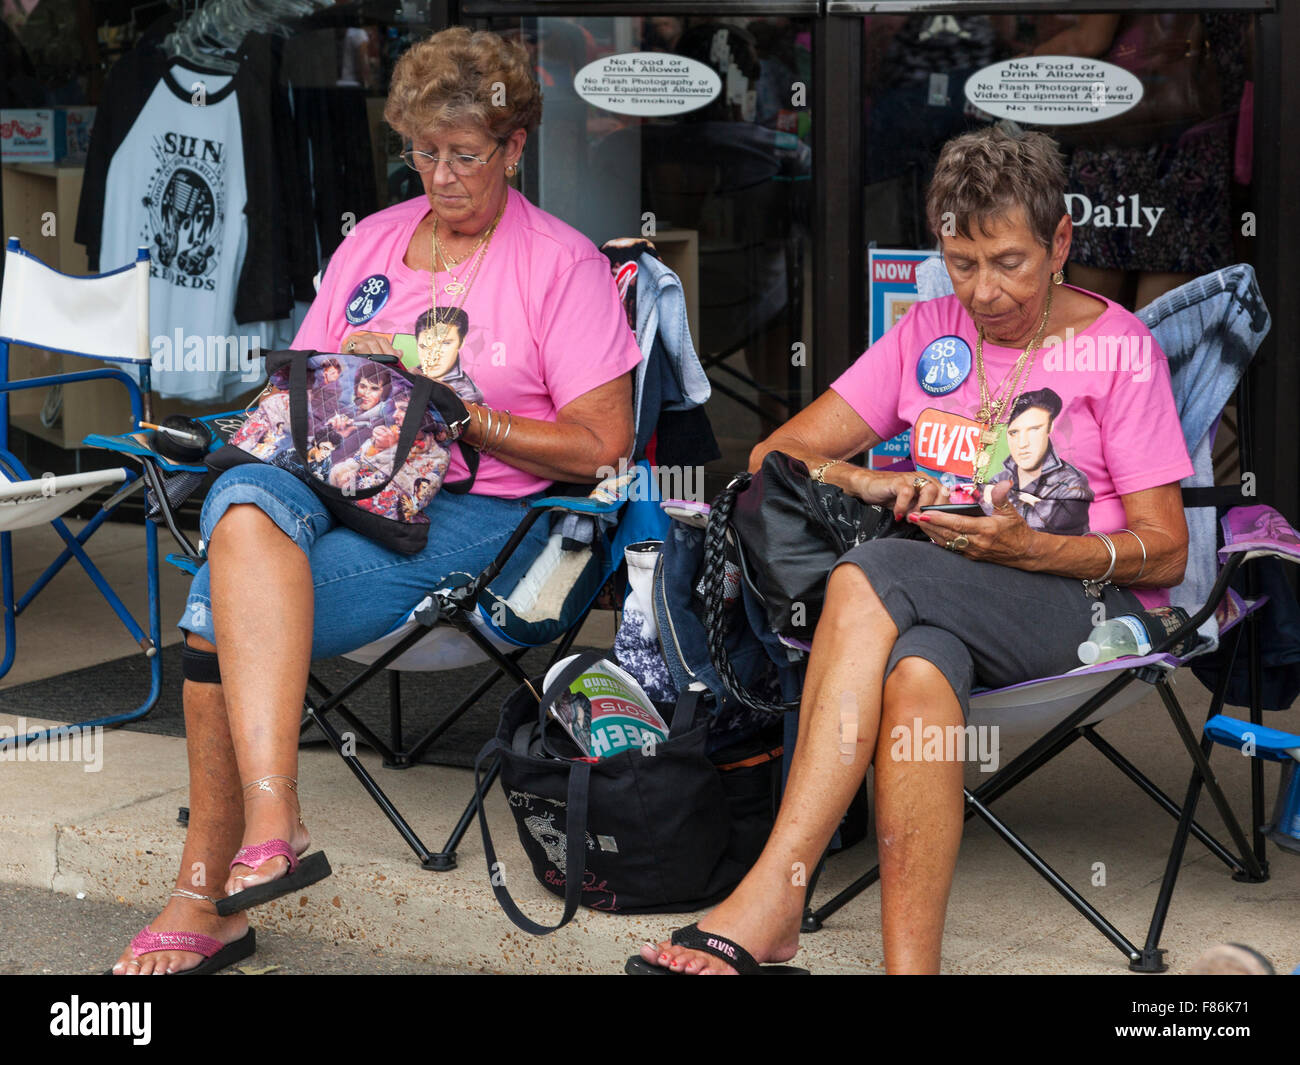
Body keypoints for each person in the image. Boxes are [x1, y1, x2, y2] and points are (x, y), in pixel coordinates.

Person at [111, 26, 640, 975]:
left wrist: (470, 421)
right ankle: (274, 816)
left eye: (466, 155)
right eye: (424, 152)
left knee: (208, 616)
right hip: (329, 483)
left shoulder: (561, 265)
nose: (441, 177)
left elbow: (602, 445)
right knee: (243, 491)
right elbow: (299, 392)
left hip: (475, 512)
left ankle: (207, 891)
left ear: (515, 147)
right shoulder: (371, 242)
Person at [634, 126, 1193, 975]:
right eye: (962, 262)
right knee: (918, 675)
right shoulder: (928, 332)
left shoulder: (1121, 351)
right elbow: (773, 455)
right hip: (945, 598)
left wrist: (1033, 547)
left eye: (1008, 261)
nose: (984, 291)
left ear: (1060, 242)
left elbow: (1166, 552)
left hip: (1089, 613)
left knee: (876, 569)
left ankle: (776, 894)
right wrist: (871, 484)